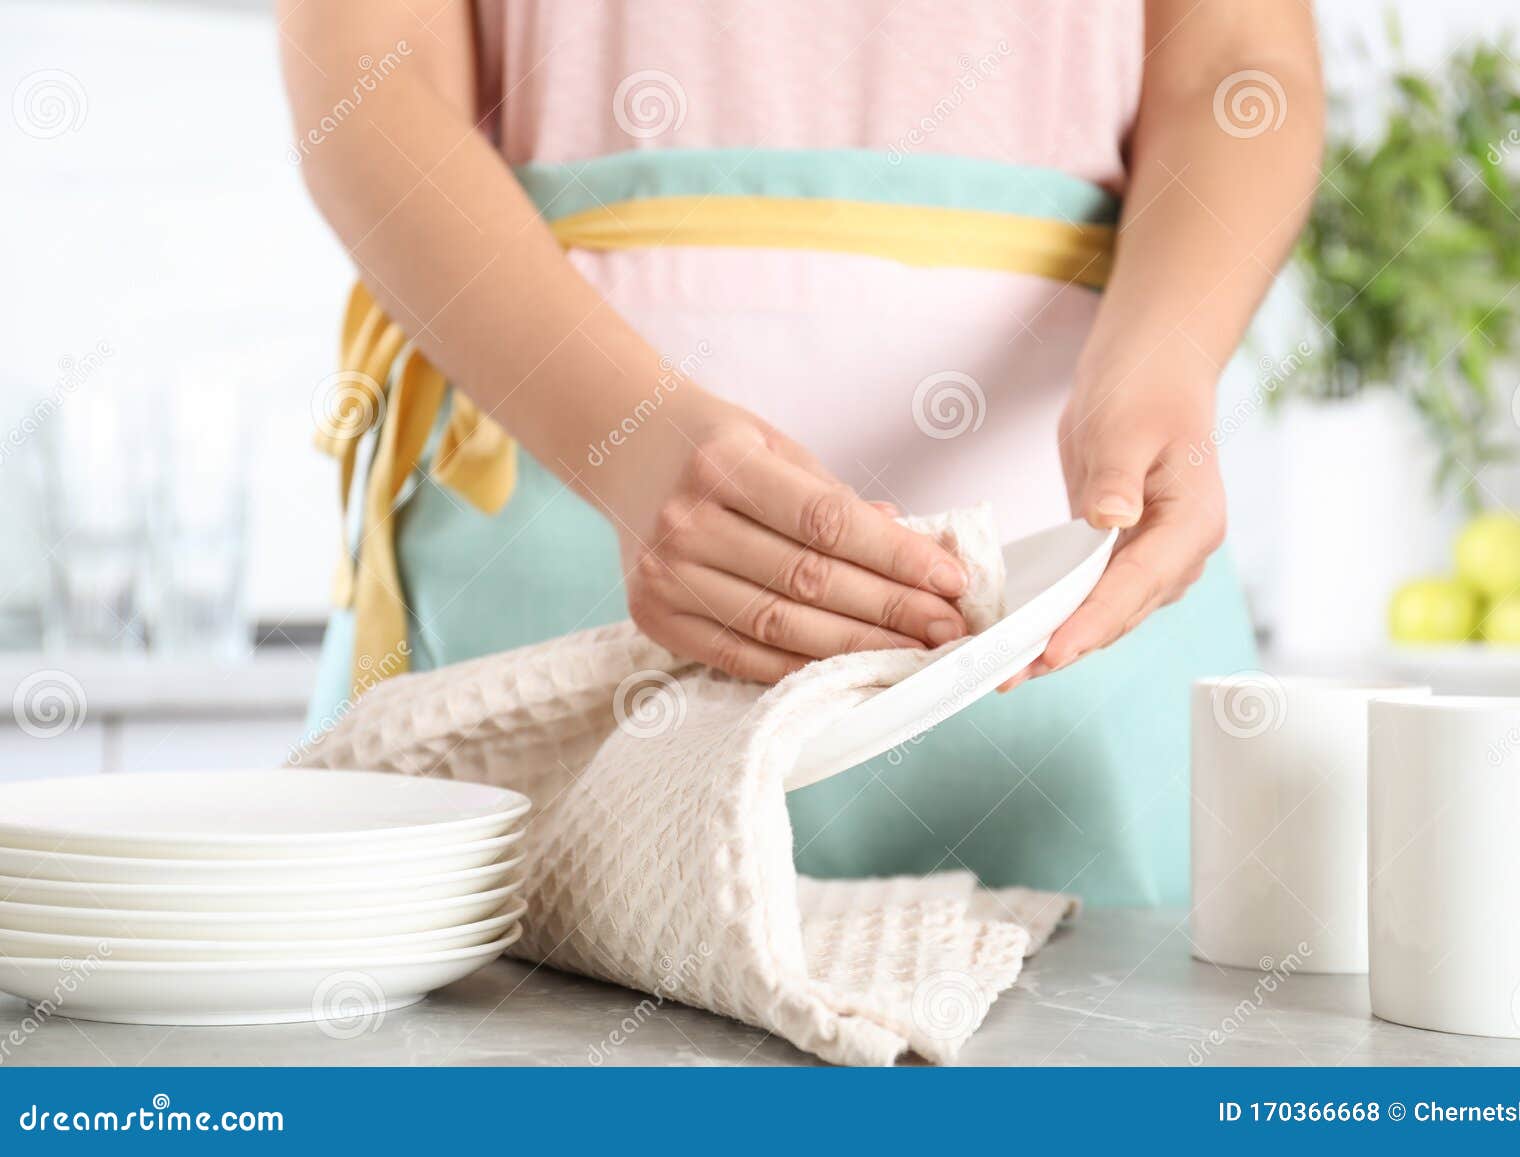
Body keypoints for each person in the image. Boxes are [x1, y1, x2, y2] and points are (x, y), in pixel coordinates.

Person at [279, 0, 1323, 905]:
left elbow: (1240, 61)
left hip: (1071, 622)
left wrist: (1161, 354)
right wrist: (626, 439)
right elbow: (374, 78)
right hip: (545, 550)